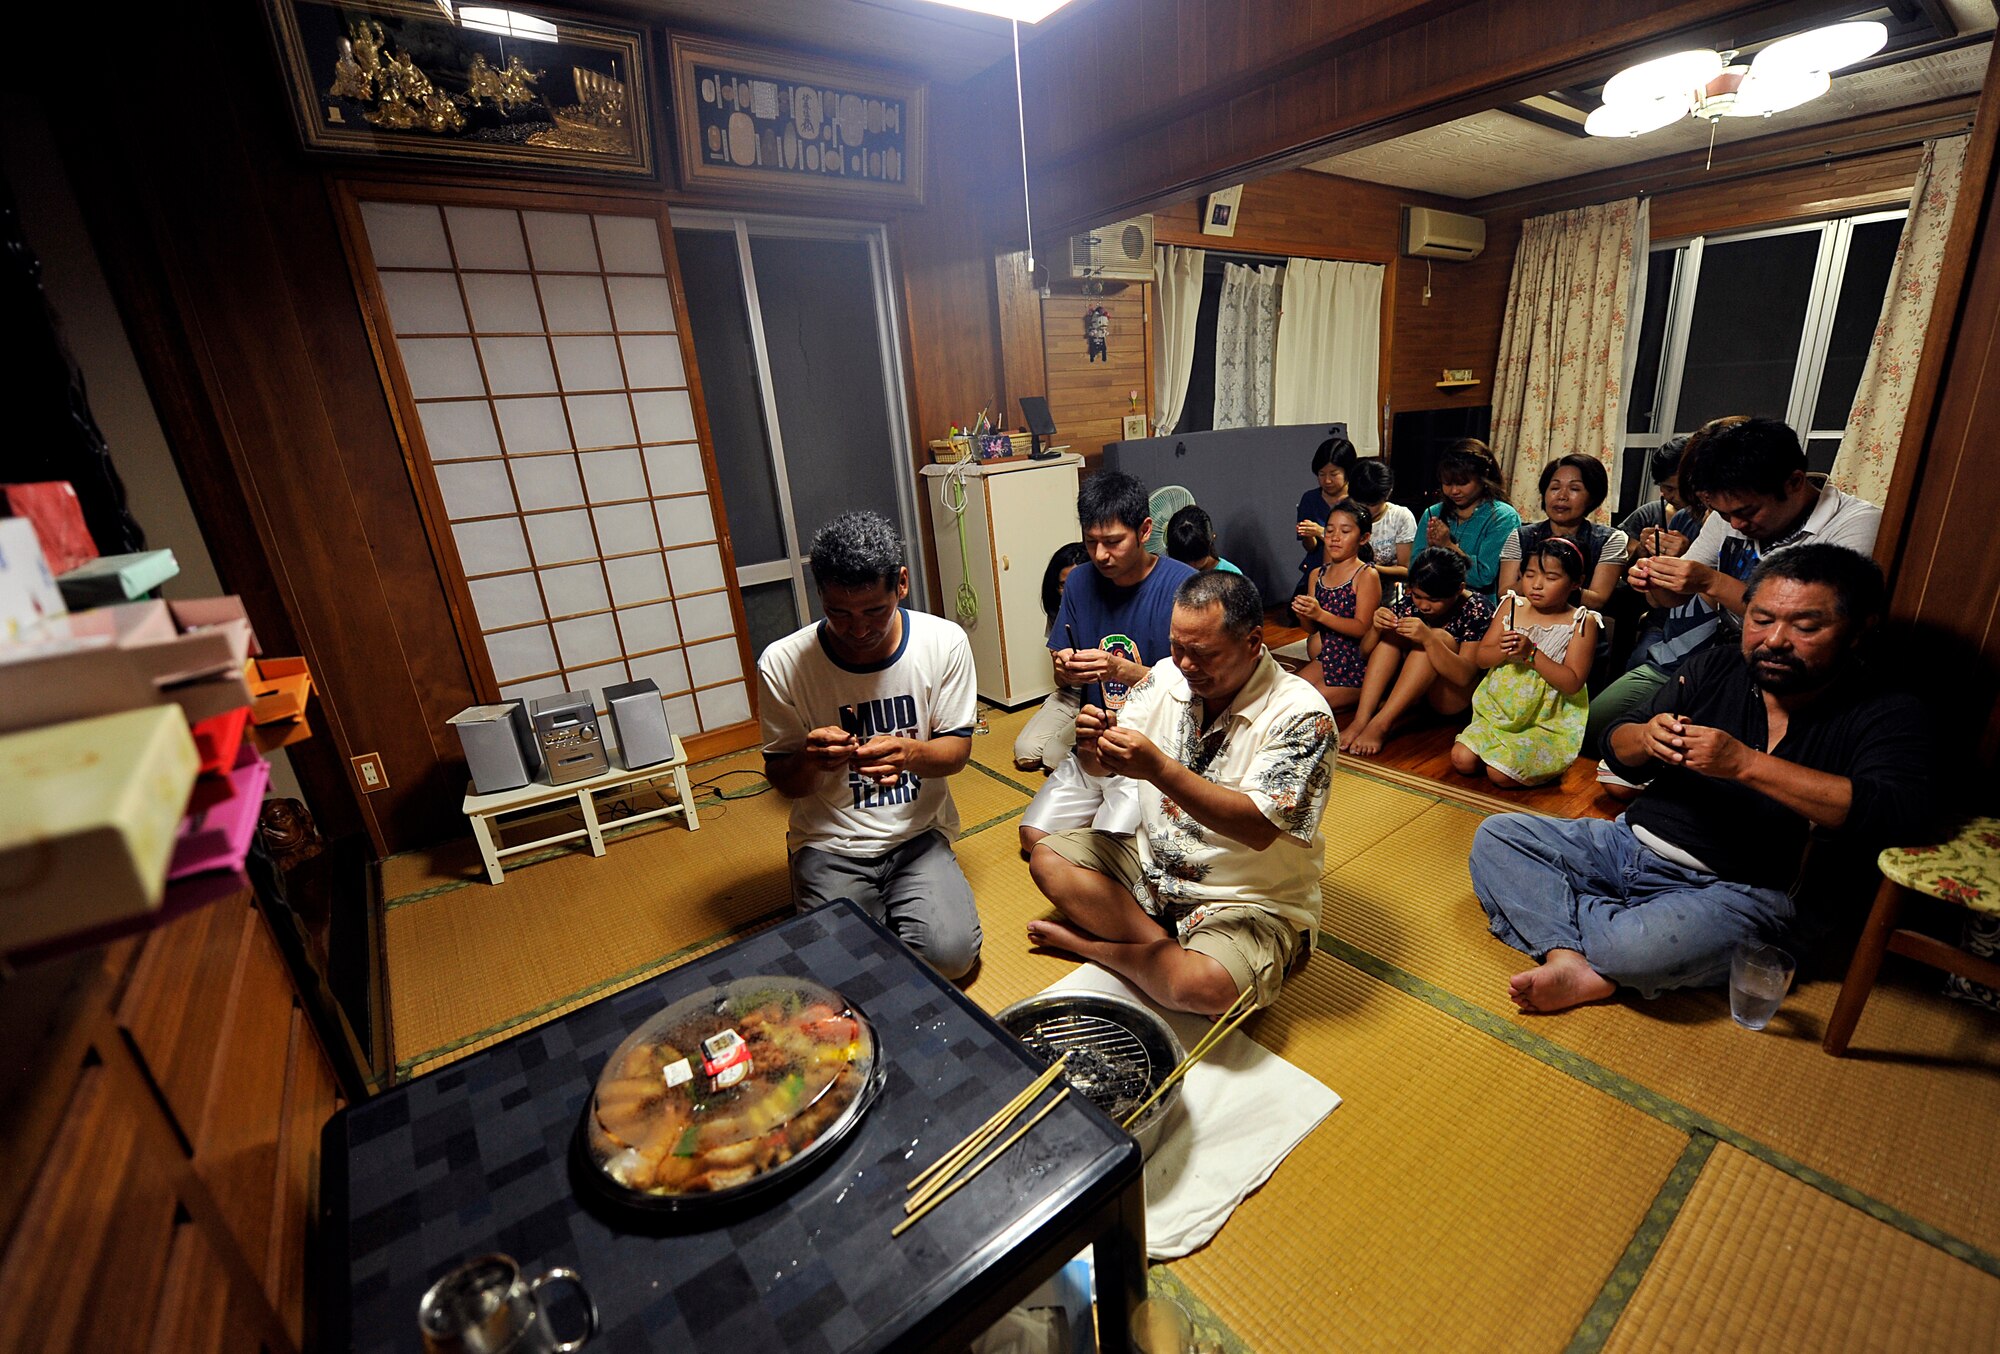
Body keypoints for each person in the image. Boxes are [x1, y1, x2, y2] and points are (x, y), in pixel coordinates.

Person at [1468, 544, 1933, 1014]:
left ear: (1858, 631)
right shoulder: (1717, 666)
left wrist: (1745, 764)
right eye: (1761, 619)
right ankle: (1568, 956)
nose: (1774, 640)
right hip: (1626, 845)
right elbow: (1618, 747)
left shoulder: (1885, 710)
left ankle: (1582, 928)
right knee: (1499, 836)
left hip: (1736, 889)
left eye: (1806, 627)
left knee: (1633, 950)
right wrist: (1646, 738)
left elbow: (1891, 813)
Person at [1024, 571, 1338, 1013]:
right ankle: (1161, 953)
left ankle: (1100, 950)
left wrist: (1157, 767)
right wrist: (1094, 744)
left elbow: (1257, 828)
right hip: (1156, 870)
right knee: (1047, 858)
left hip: (1247, 896)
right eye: (1177, 647)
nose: (1186, 664)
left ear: (1252, 643)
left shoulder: (1303, 715)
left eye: (1203, 653)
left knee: (1205, 986)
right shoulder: (1168, 677)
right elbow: (1101, 765)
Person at [757, 511, 982, 978]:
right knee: (838, 970)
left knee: (952, 957)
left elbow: (957, 753)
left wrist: (911, 754)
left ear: (901, 583)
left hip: (917, 835)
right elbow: (782, 779)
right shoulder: (782, 662)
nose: (857, 629)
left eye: (873, 612)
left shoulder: (944, 643)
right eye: (839, 613)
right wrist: (811, 761)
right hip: (829, 842)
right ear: (820, 594)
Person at [1018, 473, 1198, 856]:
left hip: (1152, 749)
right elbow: (1059, 671)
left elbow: (1198, 686)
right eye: (1091, 541)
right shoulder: (1080, 581)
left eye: (1114, 542)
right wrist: (1065, 669)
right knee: (1033, 840)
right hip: (1092, 744)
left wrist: (1119, 670)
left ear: (1145, 529)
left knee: (1109, 850)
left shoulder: (1185, 586)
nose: (1100, 555)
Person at [1630, 417, 1881, 623]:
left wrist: (1712, 581)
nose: (1735, 525)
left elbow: (1804, 621)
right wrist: (1655, 579)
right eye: (1723, 514)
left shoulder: (1856, 523)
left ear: (1794, 482)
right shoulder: (1727, 514)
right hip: (1726, 656)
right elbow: (1677, 597)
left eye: (1747, 512)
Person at [1451, 537, 1598, 788]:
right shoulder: (1511, 604)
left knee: (1500, 775)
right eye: (1529, 575)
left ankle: (1542, 762)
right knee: (1462, 760)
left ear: (1576, 582)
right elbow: (1482, 658)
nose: (1537, 585)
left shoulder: (1582, 621)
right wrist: (1502, 650)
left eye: (1551, 578)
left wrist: (1532, 654)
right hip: (1498, 712)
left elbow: (1572, 682)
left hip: (1543, 719)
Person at [1340, 550, 1493, 756]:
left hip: (1455, 698)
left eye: (1433, 599)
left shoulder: (1477, 608)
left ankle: (1381, 724)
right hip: (1418, 694)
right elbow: (1365, 653)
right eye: (1418, 596)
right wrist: (1376, 628)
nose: (1423, 605)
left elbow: (1465, 676)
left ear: (1459, 590)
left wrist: (1429, 640)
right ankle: (1361, 719)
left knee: (1435, 637)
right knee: (1391, 636)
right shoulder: (1411, 602)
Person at [1494, 454, 1627, 611]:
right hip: (1524, 621)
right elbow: (1505, 594)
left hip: (1579, 627)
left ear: (1592, 497)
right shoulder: (1521, 536)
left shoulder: (1610, 540)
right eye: (1555, 488)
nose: (1562, 497)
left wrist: (1556, 581)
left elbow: (1597, 600)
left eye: (1574, 489)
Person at [1289, 497, 1380, 713]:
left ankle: (1375, 697)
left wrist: (1320, 615)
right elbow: (1312, 630)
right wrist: (1304, 614)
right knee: (1286, 695)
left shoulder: (1366, 574)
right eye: (1329, 531)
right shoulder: (1316, 575)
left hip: (1357, 663)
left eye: (1345, 531)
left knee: (1307, 706)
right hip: (1328, 655)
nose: (1335, 538)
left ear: (1363, 538)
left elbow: (1363, 628)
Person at [1410, 439, 1523, 601]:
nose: (1454, 490)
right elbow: (1414, 568)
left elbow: (1483, 575)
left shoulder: (1502, 516)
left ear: (1483, 477)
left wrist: (1448, 546)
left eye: (1463, 483)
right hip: (1432, 604)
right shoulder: (1434, 513)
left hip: (1478, 608)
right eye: (1447, 483)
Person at [1014, 542, 1091, 773]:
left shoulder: (1104, 610)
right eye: (1063, 585)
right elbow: (1059, 681)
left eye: (1078, 584)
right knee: (1025, 753)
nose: (1070, 592)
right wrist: (1063, 670)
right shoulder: (1058, 613)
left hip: (1099, 700)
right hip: (1069, 696)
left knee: (1053, 759)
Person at [1293, 434, 1360, 592]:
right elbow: (1310, 548)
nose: (1327, 481)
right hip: (1316, 572)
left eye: (1333, 474)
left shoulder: (1358, 501)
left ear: (1347, 472)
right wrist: (1309, 535)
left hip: (1350, 576)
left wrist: (1322, 532)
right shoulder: (1310, 499)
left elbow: (1357, 547)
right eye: (1322, 474)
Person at [1616, 439, 1692, 562]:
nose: (1678, 497)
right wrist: (1641, 550)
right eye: (1669, 489)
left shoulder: (1711, 520)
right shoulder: (1647, 515)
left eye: (1686, 488)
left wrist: (1688, 553)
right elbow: (1622, 572)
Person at [1348, 458, 1417, 584]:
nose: (1364, 509)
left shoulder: (1400, 517)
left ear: (1388, 493)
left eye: (1371, 504)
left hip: (1388, 599)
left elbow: (1407, 571)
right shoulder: (1344, 515)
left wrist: (1366, 569)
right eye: (1359, 502)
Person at [1165, 504, 1244, 575]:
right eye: (1184, 560)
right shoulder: (1168, 576)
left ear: (1211, 540)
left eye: (1197, 558)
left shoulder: (1231, 575)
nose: (1191, 565)